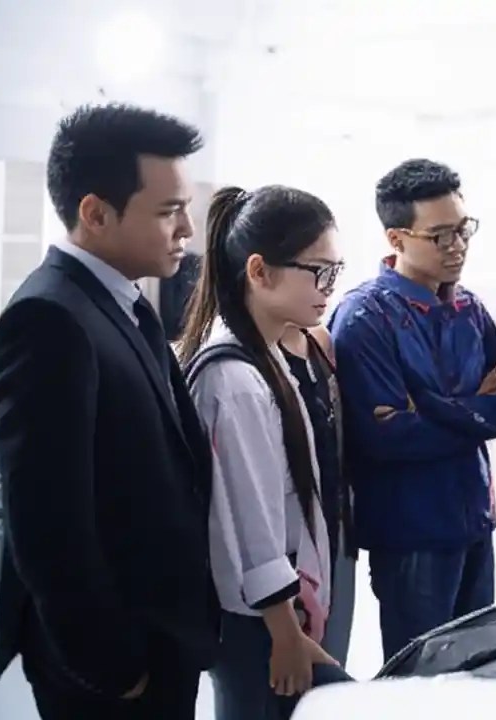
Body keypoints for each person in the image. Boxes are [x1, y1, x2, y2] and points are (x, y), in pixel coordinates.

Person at [0, 103, 219, 719]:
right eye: (169, 211)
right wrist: (110, 665)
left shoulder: (123, 304)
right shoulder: (49, 320)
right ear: (95, 212)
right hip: (111, 662)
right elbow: (46, 523)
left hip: (162, 634)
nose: (187, 229)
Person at [330, 159, 496, 660]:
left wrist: (430, 406)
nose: (456, 246)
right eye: (440, 236)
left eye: (462, 230)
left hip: (475, 518)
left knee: (479, 669)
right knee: (420, 680)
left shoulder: (471, 309)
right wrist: (470, 408)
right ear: (396, 237)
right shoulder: (364, 318)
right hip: (410, 531)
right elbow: (387, 437)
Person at [177, 184, 344, 718]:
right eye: (317, 271)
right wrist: (284, 631)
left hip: (279, 610)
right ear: (259, 271)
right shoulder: (234, 377)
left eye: (334, 272)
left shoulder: (269, 352)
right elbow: (250, 521)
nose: (328, 289)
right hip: (259, 621)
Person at [279, 323, 356, 667]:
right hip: (283, 545)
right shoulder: (236, 362)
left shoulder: (318, 342)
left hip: (334, 528)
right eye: (314, 270)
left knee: (331, 662)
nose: (324, 287)